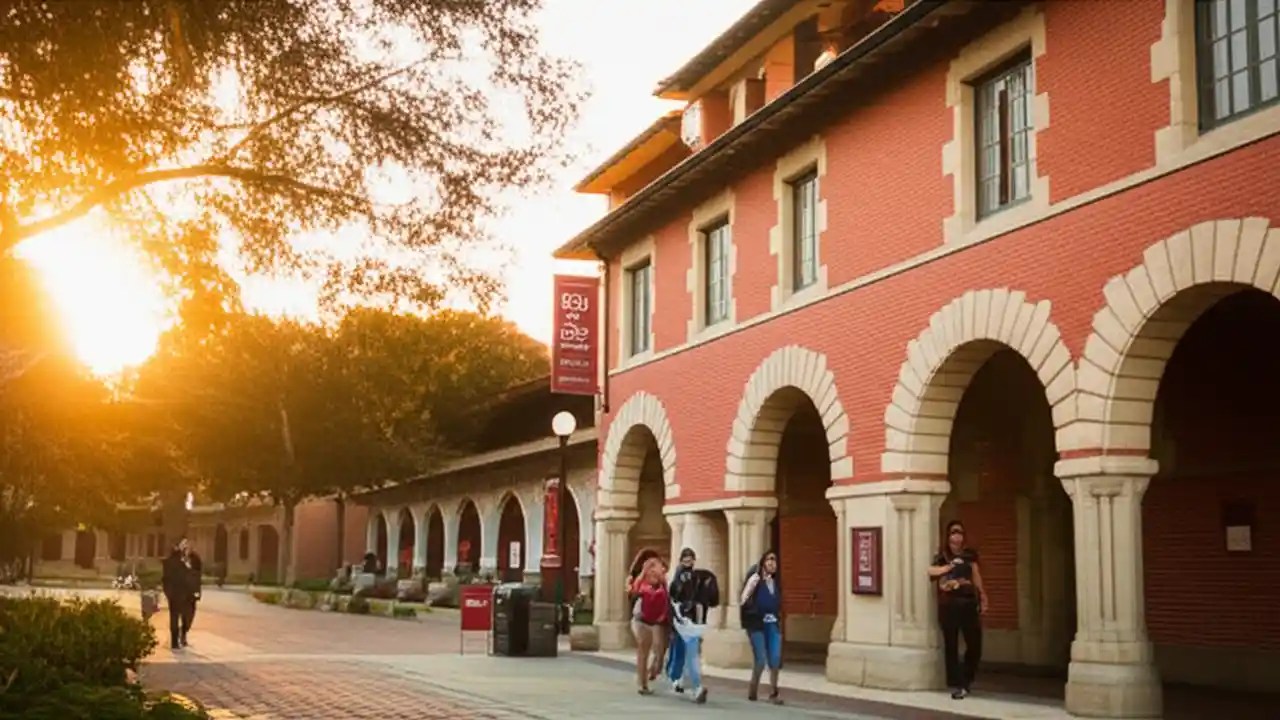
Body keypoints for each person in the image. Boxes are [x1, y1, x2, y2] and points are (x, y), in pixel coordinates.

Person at [928, 519, 988, 700]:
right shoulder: (942, 556)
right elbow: (933, 574)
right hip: (950, 606)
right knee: (951, 645)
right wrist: (947, 570)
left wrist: (983, 595)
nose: (957, 536)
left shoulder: (970, 555)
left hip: (968, 603)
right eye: (954, 532)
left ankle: (967, 678)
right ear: (948, 536)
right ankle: (958, 684)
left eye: (960, 532)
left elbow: (976, 575)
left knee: (975, 644)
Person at [668, 547, 718, 703]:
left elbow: (711, 599)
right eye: (685, 558)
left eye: (691, 558)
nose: (688, 561)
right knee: (681, 653)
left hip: (693, 623)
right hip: (681, 622)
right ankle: (679, 679)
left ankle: (695, 686)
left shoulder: (699, 577)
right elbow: (674, 600)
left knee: (691, 654)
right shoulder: (677, 580)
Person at [740, 549, 783, 704]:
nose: (772, 563)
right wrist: (754, 613)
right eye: (769, 560)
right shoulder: (755, 579)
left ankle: (774, 692)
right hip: (757, 624)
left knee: (775, 658)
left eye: (774, 560)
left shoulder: (775, 582)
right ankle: (753, 690)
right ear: (763, 562)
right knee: (760, 659)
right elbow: (743, 600)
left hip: (772, 623)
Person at [629, 556, 669, 695]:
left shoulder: (663, 584)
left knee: (659, 650)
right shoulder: (642, 583)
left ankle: (653, 670)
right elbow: (634, 592)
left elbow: (668, 600)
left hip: (657, 621)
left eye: (656, 567)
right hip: (641, 620)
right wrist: (640, 577)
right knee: (643, 651)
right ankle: (642, 683)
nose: (654, 571)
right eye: (650, 568)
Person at [161, 538, 192, 651]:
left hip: (173, 594)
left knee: (173, 617)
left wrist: (167, 592)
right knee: (183, 617)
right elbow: (187, 579)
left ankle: (174, 641)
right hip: (181, 595)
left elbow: (164, 580)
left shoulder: (168, 563)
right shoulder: (181, 564)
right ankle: (180, 637)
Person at [181, 546, 203, 647]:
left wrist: (197, 594)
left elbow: (197, 584)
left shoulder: (195, 572)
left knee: (189, 616)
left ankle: (183, 632)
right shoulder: (184, 569)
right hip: (184, 596)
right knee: (186, 616)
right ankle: (182, 635)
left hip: (190, 597)